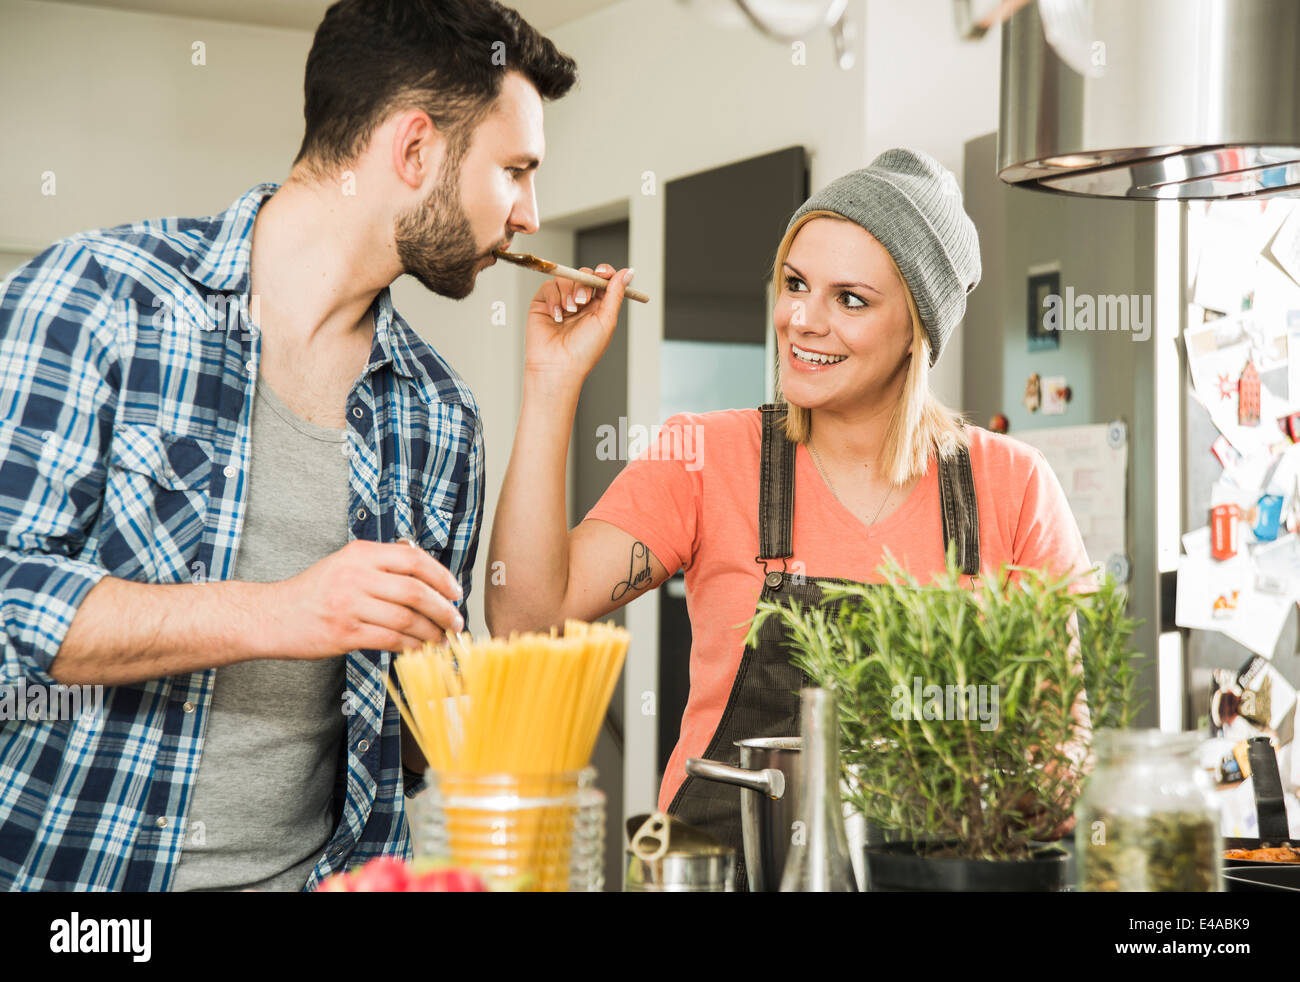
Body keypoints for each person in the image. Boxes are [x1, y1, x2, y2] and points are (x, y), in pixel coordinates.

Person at [0, 0, 595, 892]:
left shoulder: (440, 413)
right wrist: (284, 613)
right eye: (515, 172)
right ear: (416, 149)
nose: (530, 216)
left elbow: (419, 720)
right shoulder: (94, 298)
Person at [486, 148, 1092, 889]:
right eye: (796, 283)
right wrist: (551, 385)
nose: (801, 321)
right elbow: (524, 617)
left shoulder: (1013, 485)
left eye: (851, 299)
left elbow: (1061, 749)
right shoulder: (706, 455)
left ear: (918, 331)